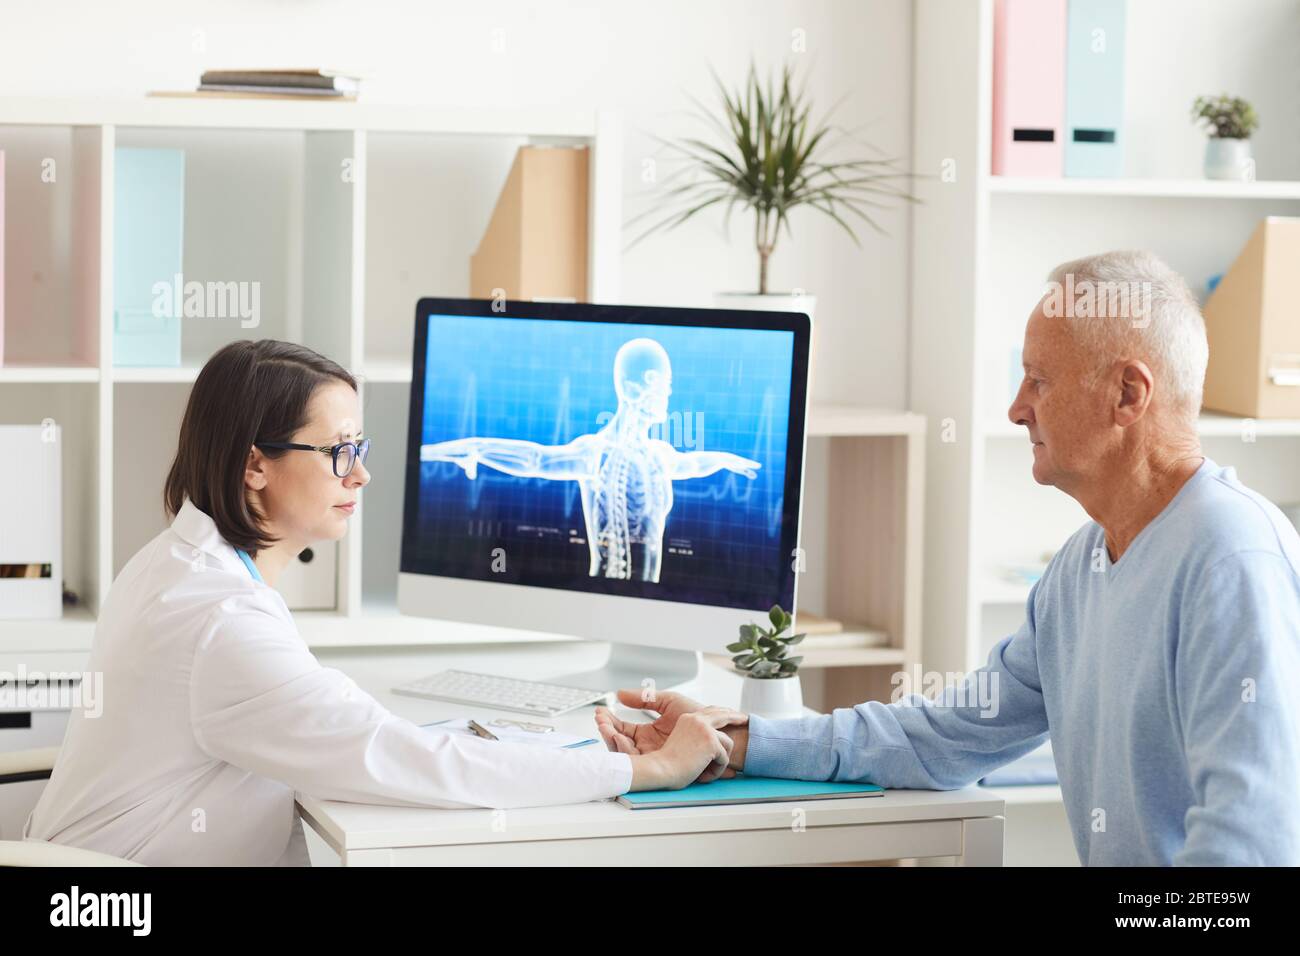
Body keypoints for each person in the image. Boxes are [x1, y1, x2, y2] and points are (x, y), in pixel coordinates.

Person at [596, 251, 1300, 866]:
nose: (1016, 409)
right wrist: (735, 739)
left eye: (1038, 380)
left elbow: (1247, 857)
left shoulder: (1232, 564)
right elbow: (942, 737)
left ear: (1127, 394)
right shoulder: (1082, 569)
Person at [25, 339, 737, 866]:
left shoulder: (183, 562)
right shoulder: (222, 622)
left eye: (359, 447)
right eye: (338, 451)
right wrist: (644, 770)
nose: (360, 474)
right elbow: (417, 763)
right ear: (254, 465)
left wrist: (566, 744)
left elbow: (371, 738)